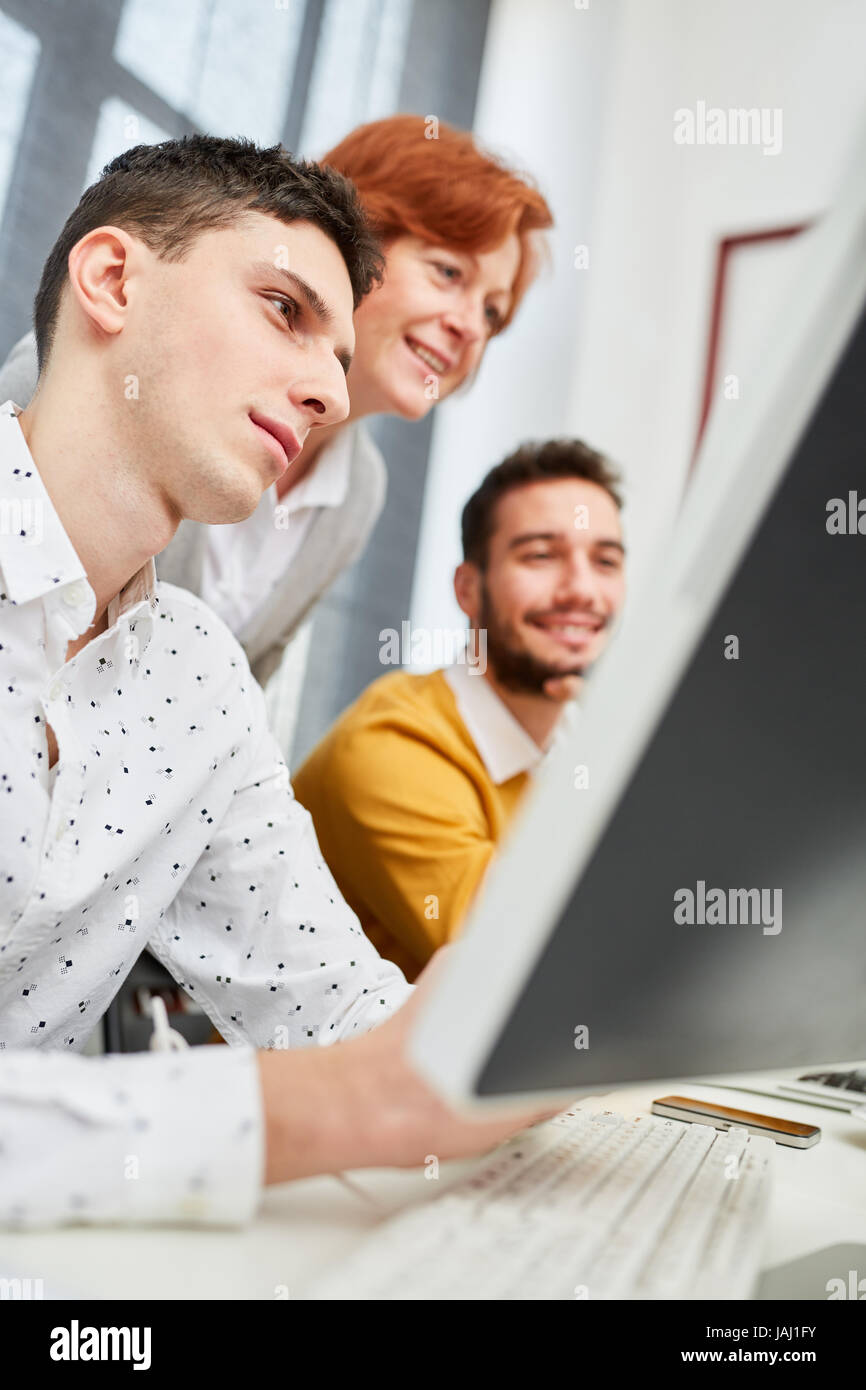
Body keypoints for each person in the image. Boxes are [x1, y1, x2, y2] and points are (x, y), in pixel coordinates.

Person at [0, 135, 553, 1229]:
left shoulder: (198, 676)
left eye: (336, 357)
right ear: (113, 280)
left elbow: (337, 1009)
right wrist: (331, 1108)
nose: (321, 394)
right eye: (283, 310)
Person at [0, 116, 553, 687]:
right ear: (357, 242)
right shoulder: (88, 368)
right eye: (448, 273)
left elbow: (240, 690)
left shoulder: (358, 492)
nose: (471, 328)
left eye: (493, 312)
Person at [293, 441, 626, 981]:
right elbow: (532, 969)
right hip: (310, 1065)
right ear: (468, 589)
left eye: (605, 561)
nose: (582, 590)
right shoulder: (393, 746)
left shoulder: (580, 748)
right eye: (541, 555)